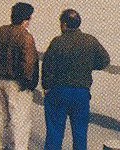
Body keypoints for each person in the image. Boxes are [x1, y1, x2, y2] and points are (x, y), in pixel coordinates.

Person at [40, 8, 110, 150]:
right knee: (80, 133)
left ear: (64, 24)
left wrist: (46, 87)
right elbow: (105, 60)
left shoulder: (57, 42)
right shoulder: (90, 40)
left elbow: (47, 66)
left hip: (59, 92)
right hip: (81, 94)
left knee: (54, 132)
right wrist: (89, 65)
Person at [0, 2, 39, 149]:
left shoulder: (0, 31)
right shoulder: (26, 36)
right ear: (25, 20)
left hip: (1, 80)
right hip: (17, 84)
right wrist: (28, 83)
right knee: (20, 121)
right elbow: (28, 63)